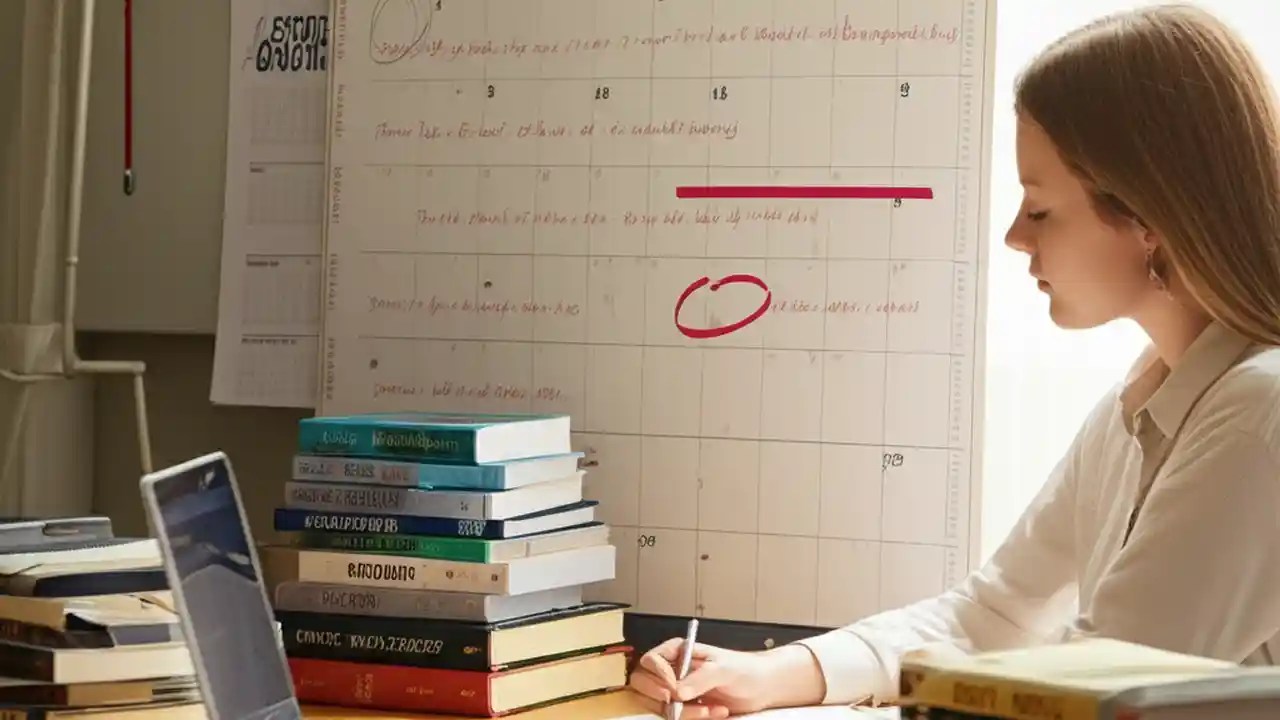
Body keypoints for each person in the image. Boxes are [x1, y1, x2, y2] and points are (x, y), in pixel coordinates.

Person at [627, 4, 1280, 717]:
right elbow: (992, 614)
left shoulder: (1257, 414)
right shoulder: (1145, 406)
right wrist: (775, 672)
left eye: (1039, 209)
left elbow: (1100, 690)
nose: (1012, 237)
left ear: (1146, 216)